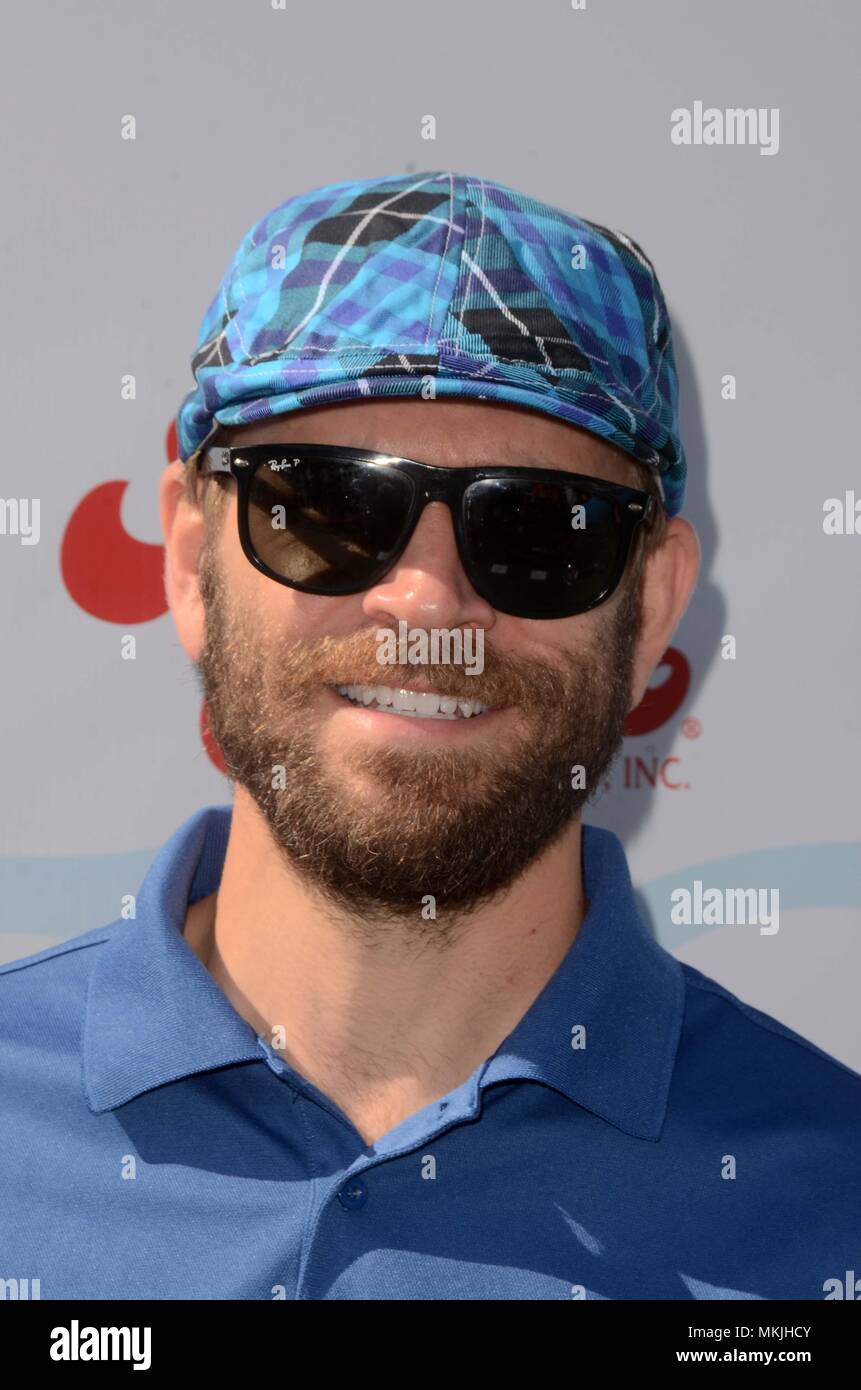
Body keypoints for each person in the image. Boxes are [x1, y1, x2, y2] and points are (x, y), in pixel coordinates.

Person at [2, 172, 858, 1302]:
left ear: (652, 605)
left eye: (538, 527)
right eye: (325, 506)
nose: (427, 604)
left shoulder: (832, 1207)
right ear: (186, 563)